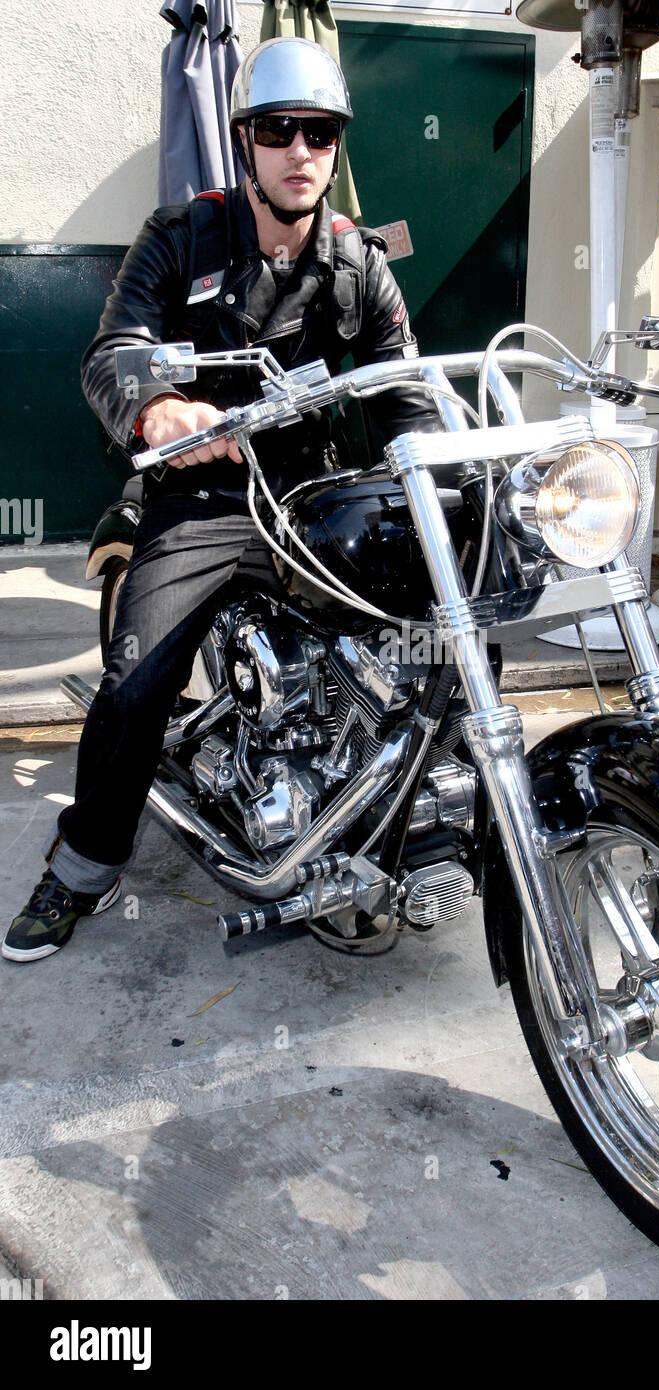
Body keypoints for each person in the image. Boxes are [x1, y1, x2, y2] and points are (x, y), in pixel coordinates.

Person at [3, 37, 440, 963]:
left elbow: (404, 385)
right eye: (278, 130)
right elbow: (112, 349)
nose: (299, 151)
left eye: (318, 132)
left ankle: (380, 823)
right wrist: (158, 406)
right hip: (206, 493)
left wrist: (436, 465)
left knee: (428, 632)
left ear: (336, 143)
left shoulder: (358, 260)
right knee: (136, 685)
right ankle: (82, 864)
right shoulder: (182, 236)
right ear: (246, 140)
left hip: (315, 495)